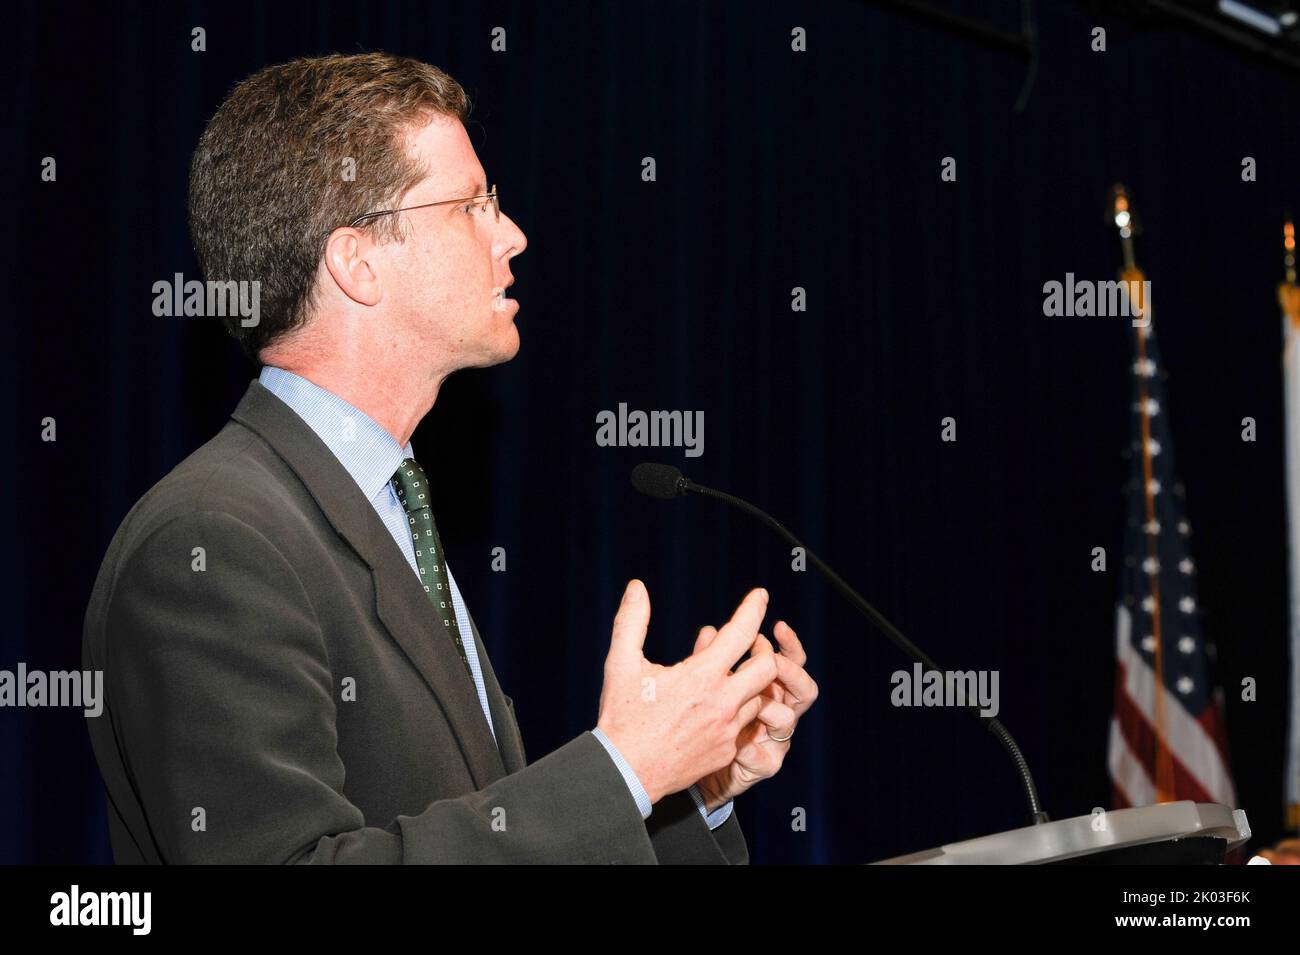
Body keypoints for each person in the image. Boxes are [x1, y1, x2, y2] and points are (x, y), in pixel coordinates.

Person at [82, 52, 818, 864]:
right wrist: (624, 771)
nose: (512, 234)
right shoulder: (211, 543)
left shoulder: (391, 506)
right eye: (472, 203)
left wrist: (687, 789)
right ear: (356, 262)